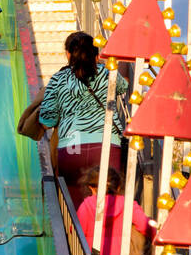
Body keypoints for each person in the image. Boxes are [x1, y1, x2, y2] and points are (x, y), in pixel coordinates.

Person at [37, 31, 127, 208]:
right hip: (106, 145)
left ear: (68, 54)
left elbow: (46, 121)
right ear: (96, 54)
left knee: (75, 206)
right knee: (109, 203)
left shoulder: (58, 79)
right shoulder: (108, 74)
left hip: (72, 147)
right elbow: (123, 86)